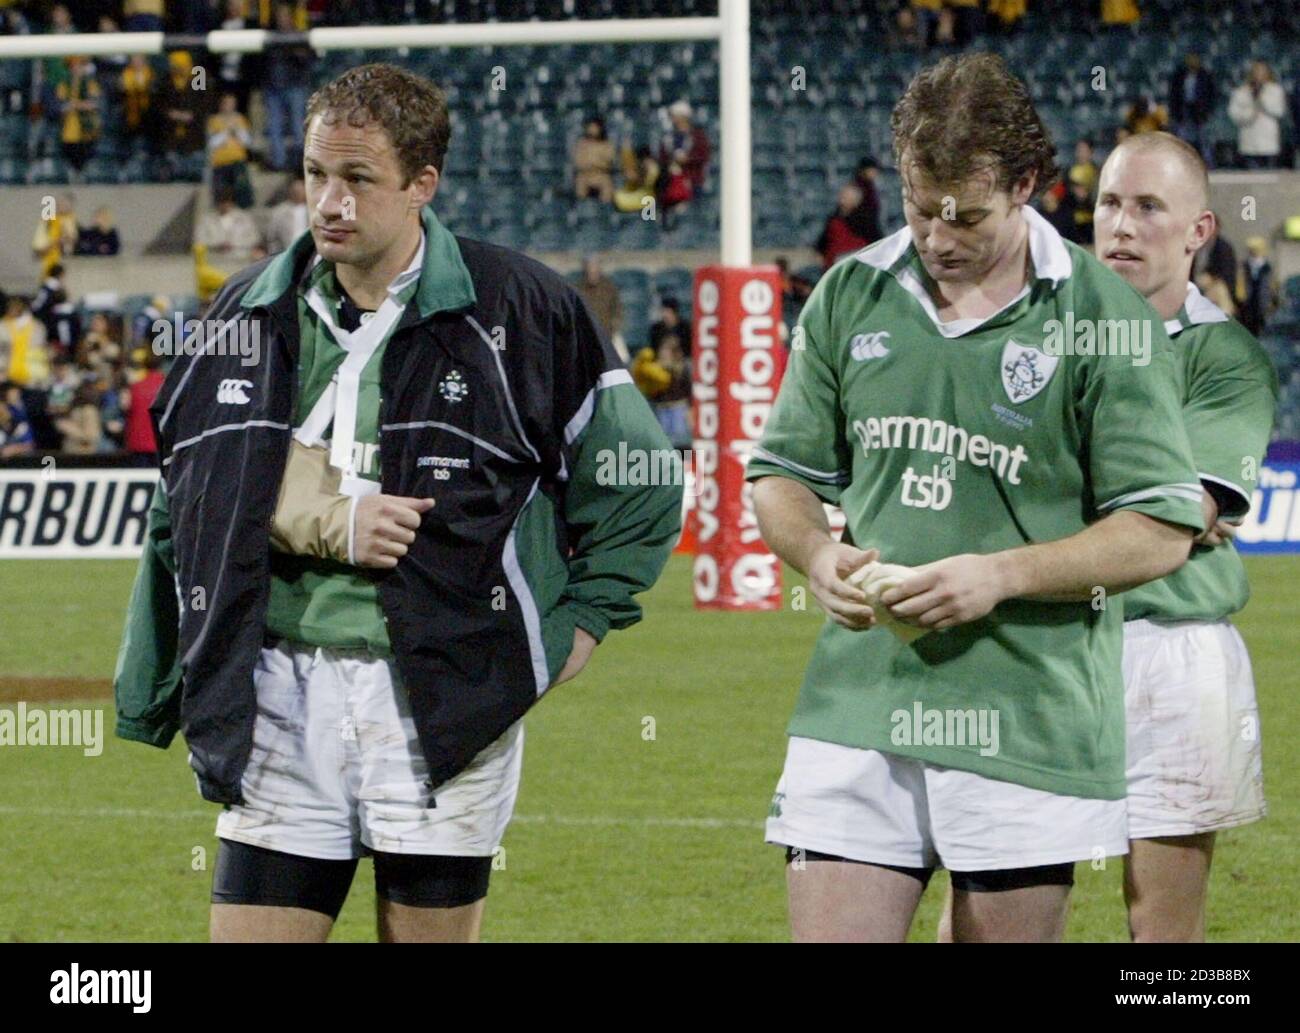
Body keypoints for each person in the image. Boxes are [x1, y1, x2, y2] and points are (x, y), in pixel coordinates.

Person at [113, 63, 681, 944]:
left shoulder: (524, 309)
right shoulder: (245, 311)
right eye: (313, 176)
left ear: (423, 183)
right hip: (276, 693)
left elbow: (641, 483)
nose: (329, 202)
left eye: (357, 179)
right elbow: (178, 500)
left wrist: (584, 623)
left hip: (441, 700)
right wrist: (157, 678)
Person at [748, 53, 1203, 944]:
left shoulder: (1103, 316)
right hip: (858, 702)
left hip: (1026, 714)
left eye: (966, 215)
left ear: (1026, 184)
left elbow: (1160, 528)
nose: (938, 236)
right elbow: (781, 476)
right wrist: (816, 554)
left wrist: (999, 573)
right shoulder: (851, 291)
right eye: (921, 209)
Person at [1092, 132, 1277, 941]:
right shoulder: (1038, 340)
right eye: (1108, 204)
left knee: (1164, 938)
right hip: (1039, 642)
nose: (1121, 226)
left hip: (1170, 655)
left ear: (1200, 230)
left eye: (1147, 207)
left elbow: (1180, 514)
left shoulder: (1223, 356)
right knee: (994, 917)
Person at [262, 2, 313, 171]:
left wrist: (294, 49)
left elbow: (308, 60)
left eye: (284, 16)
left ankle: (300, 161)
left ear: (291, 17)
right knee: (274, 126)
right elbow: (263, 61)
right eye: (279, 16)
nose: (281, 20)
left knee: (298, 125)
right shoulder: (269, 37)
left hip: (295, 85)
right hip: (273, 87)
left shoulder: (300, 36)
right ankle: (279, 162)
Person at [1228, 61, 1286, 169]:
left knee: (1269, 178)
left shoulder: (1276, 90)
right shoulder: (1241, 91)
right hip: (1248, 142)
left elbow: (1280, 111)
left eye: (1262, 71)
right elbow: (1234, 113)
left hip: (1269, 144)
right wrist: (1250, 113)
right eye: (1256, 71)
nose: (1259, 74)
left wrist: (1262, 100)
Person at [208, 91, 255, 209]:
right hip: (220, 162)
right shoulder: (214, 120)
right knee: (221, 190)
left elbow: (247, 141)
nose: (229, 106)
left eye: (232, 103)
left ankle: (243, 209)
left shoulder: (240, 119)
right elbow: (211, 143)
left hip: (237, 160)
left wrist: (237, 131)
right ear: (221, 105)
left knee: (241, 187)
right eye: (226, 103)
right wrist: (226, 132)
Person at [57, 55, 101, 180]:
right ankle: (73, 171)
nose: (76, 68)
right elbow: (61, 103)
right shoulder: (65, 82)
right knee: (70, 146)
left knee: (86, 146)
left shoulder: (90, 82)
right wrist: (75, 105)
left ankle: (83, 171)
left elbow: (94, 103)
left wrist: (77, 105)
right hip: (70, 122)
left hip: (86, 123)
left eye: (79, 65)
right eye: (73, 65)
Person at [1168, 53, 1215, 166]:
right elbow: (1173, 94)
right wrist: (1175, 112)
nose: (1192, 62)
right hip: (1183, 110)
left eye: (1195, 59)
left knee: (1204, 139)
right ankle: (1180, 162)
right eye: (1190, 59)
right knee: (1181, 139)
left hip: (1201, 112)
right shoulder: (1180, 75)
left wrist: (1208, 111)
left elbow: (1212, 95)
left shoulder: (1205, 76)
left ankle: (1208, 163)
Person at [196, 186, 263, 265]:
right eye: (221, 202)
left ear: (231, 202)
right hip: (215, 261)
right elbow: (199, 240)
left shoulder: (244, 218)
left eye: (226, 202)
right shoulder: (207, 220)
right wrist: (218, 244)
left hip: (241, 260)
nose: (223, 205)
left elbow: (254, 238)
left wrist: (235, 244)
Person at [575, 255, 625, 359]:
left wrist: (613, 325)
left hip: (608, 333)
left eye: (595, 271)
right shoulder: (578, 289)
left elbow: (618, 310)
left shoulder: (609, 288)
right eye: (590, 271)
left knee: (622, 358)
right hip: (586, 335)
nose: (592, 275)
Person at [814, 184, 869, 269]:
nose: (841, 198)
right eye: (842, 195)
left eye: (845, 196)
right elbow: (822, 243)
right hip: (834, 261)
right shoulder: (834, 219)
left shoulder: (863, 220)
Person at [573, 116, 615, 203]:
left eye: (595, 127)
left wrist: (596, 165)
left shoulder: (606, 144)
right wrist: (588, 166)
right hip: (585, 174)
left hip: (601, 174)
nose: (592, 129)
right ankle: (582, 207)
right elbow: (578, 161)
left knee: (606, 184)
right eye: (591, 127)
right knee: (580, 182)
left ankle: (605, 208)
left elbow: (608, 162)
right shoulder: (582, 143)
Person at [1239, 236, 1275, 336]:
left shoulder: (1267, 267)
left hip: (1262, 300)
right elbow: (1241, 283)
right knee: (1247, 324)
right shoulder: (1245, 265)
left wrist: (1270, 300)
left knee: (1261, 324)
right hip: (1248, 301)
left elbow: (1270, 285)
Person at [266, 175, 309, 254]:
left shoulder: (314, 208)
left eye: (300, 190)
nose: (298, 193)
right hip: (286, 251)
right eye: (295, 191)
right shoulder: (279, 211)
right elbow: (272, 238)